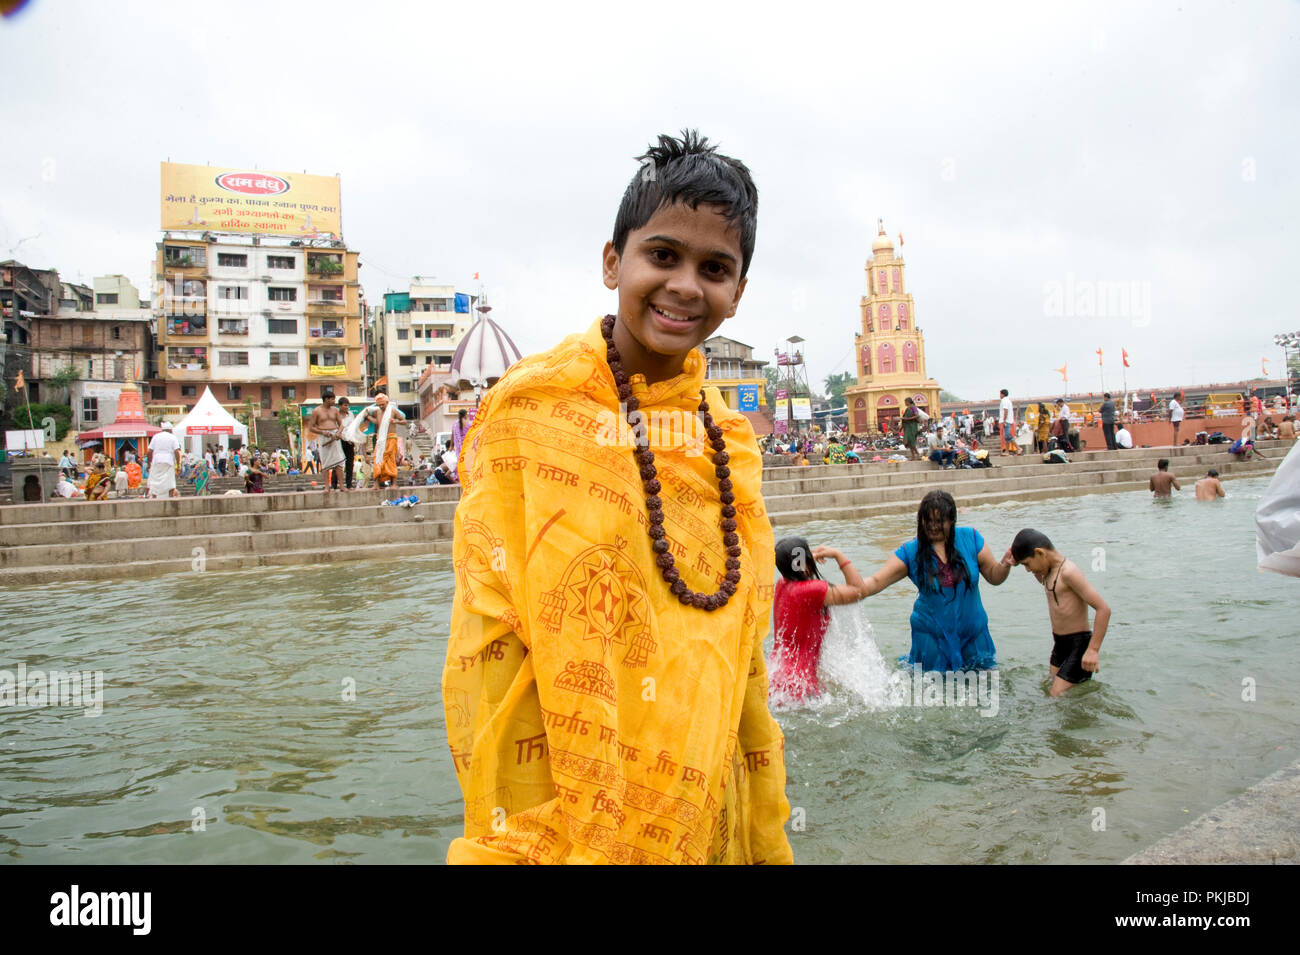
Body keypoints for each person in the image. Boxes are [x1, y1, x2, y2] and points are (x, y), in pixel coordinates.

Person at [443, 130, 790, 865]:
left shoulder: (730, 441)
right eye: (662, 255)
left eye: (715, 268)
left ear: (738, 290)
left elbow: (740, 655)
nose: (686, 285)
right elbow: (490, 641)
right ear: (614, 261)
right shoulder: (533, 412)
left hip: (703, 814)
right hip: (566, 819)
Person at [855, 490, 1012, 671]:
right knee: (934, 694)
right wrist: (842, 591)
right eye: (928, 521)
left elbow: (994, 576)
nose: (933, 526)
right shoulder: (911, 552)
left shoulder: (971, 538)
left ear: (952, 520)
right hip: (931, 641)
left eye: (939, 521)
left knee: (983, 691)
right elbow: (875, 581)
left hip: (974, 639)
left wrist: (1005, 564)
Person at [1008, 529, 1110, 696]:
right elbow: (1043, 580)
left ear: (1040, 553)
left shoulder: (1068, 572)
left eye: (1027, 564)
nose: (1027, 570)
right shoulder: (1047, 572)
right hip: (1060, 643)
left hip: (1079, 645)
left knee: (1056, 696)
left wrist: (1093, 650)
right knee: (1050, 691)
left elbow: (1103, 609)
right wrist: (1017, 560)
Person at [769, 537, 868, 702]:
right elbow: (859, 591)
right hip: (800, 685)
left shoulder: (782, 584)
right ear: (804, 562)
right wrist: (838, 555)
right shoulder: (812, 591)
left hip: (779, 678)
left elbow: (797, 570)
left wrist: (808, 558)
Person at [353, 393, 405, 488]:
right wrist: (368, 416)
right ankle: (376, 484)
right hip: (380, 439)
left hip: (391, 438)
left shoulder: (393, 410)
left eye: (382, 404)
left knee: (391, 460)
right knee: (377, 460)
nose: (381, 406)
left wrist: (395, 421)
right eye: (379, 404)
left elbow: (404, 421)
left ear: (387, 402)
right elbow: (377, 422)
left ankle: (394, 484)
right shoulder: (377, 412)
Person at [307, 392, 346, 492]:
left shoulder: (335, 410)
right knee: (325, 463)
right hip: (323, 436)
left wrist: (338, 432)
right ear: (326, 399)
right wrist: (322, 432)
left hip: (335, 436)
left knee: (339, 463)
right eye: (332, 399)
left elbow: (341, 424)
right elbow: (311, 427)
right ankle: (327, 487)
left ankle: (341, 486)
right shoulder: (317, 411)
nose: (334, 401)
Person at [147, 421, 182, 499]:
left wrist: (149, 463)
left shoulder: (156, 436)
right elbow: (176, 451)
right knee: (170, 481)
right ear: (170, 430)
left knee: (154, 480)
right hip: (168, 461)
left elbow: (149, 451)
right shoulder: (173, 437)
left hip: (156, 461)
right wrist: (178, 465)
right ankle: (170, 497)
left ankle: (154, 497)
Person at [901, 396, 922, 461]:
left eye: (905, 402)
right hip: (907, 427)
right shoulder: (907, 409)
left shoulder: (913, 407)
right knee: (908, 442)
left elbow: (917, 415)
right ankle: (913, 456)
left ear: (908, 402)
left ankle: (917, 455)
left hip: (912, 426)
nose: (905, 403)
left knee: (912, 441)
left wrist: (908, 419)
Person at [997, 388, 1014, 456]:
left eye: (1000, 394)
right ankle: (1007, 451)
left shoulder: (1004, 401)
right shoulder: (1008, 400)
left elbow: (1005, 410)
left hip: (1006, 421)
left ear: (1002, 394)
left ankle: (1019, 448)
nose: (999, 395)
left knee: (1007, 436)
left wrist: (1004, 421)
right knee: (1006, 437)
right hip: (1007, 420)